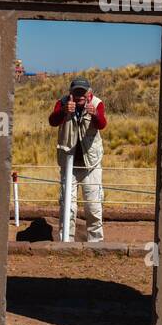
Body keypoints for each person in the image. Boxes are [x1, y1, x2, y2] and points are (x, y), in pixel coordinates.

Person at [48, 77, 107, 242]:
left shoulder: (97, 103)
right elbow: (52, 121)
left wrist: (94, 114)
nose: (80, 95)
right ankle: (66, 241)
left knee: (93, 206)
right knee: (68, 206)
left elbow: (102, 124)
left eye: (83, 92)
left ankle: (96, 244)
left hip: (91, 164)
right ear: (70, 93)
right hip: (69, 163)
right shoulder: (62, 103)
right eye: (76, 92)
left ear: (89, 93)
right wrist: (64, 111)